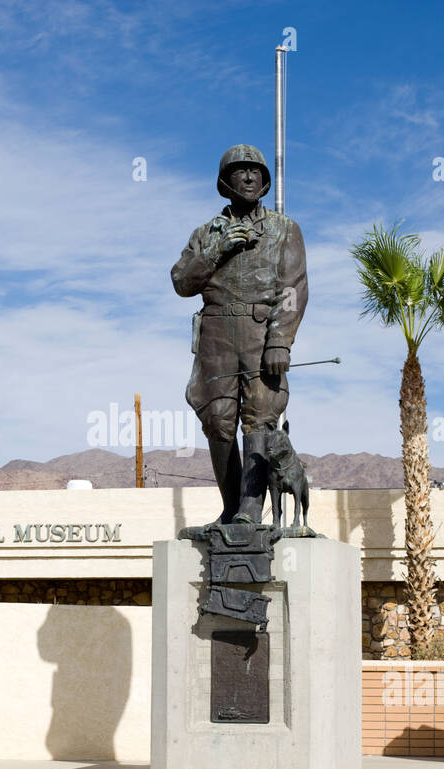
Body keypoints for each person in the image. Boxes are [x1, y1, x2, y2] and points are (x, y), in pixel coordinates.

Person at [171, 144, 309, 524]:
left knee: (261, 416)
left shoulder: (285, 229)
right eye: (239, 171)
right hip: (215, 333)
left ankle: (251, 508)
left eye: (255, 172)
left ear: (264, 183)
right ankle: (231, 507)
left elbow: (294, 289)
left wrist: (280, 340)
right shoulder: (205, 234)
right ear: (224, 182)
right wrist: (219, 249)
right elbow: (182, 282)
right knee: (217, 418)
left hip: (260, 331)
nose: (248, 177)